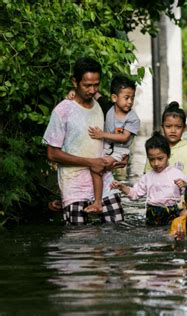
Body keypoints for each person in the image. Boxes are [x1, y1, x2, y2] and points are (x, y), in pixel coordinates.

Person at [43, 57, 125, 225]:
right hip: (74, 185)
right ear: (75, 82)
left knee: (118, 233)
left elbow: (119, 138)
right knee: (78, 241)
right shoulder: (62, 111)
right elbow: (52, 154)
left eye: (96, 85)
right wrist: (90, 162)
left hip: (104, 181)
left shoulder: (103, 106)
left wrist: (118, 159)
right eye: (87, 85)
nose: (92, 90)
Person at [84, 75, 140, 212]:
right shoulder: (108, 107)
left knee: (97, 167)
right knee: (92, 165)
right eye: (126, 98)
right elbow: (94, 94)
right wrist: (72, 92)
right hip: (106, 148)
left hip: (120, 152)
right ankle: (91, 198)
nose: (130, 102)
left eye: (132, 98)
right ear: (115, 98)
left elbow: (124, 138)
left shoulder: (133, 118)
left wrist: (101, 134)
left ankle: (97, 202)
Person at [111, 131, 187, 226]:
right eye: (152, 159)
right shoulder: (147, 177)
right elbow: (135, 194)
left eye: (160, 159)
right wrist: (122, 187)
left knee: (170, 233)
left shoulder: (176, 173)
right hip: (152, 212)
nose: (156, 163)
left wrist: (185, 185)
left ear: (168, 156)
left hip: (172, 212)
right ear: (148, 158)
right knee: (152, 234)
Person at [144, 101, 187, 183]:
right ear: (162, 127)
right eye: (168, 126)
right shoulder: (155, 148)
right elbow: (147, 174)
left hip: (185, 194)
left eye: (178, 127)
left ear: (184, 128)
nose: (173, 131)